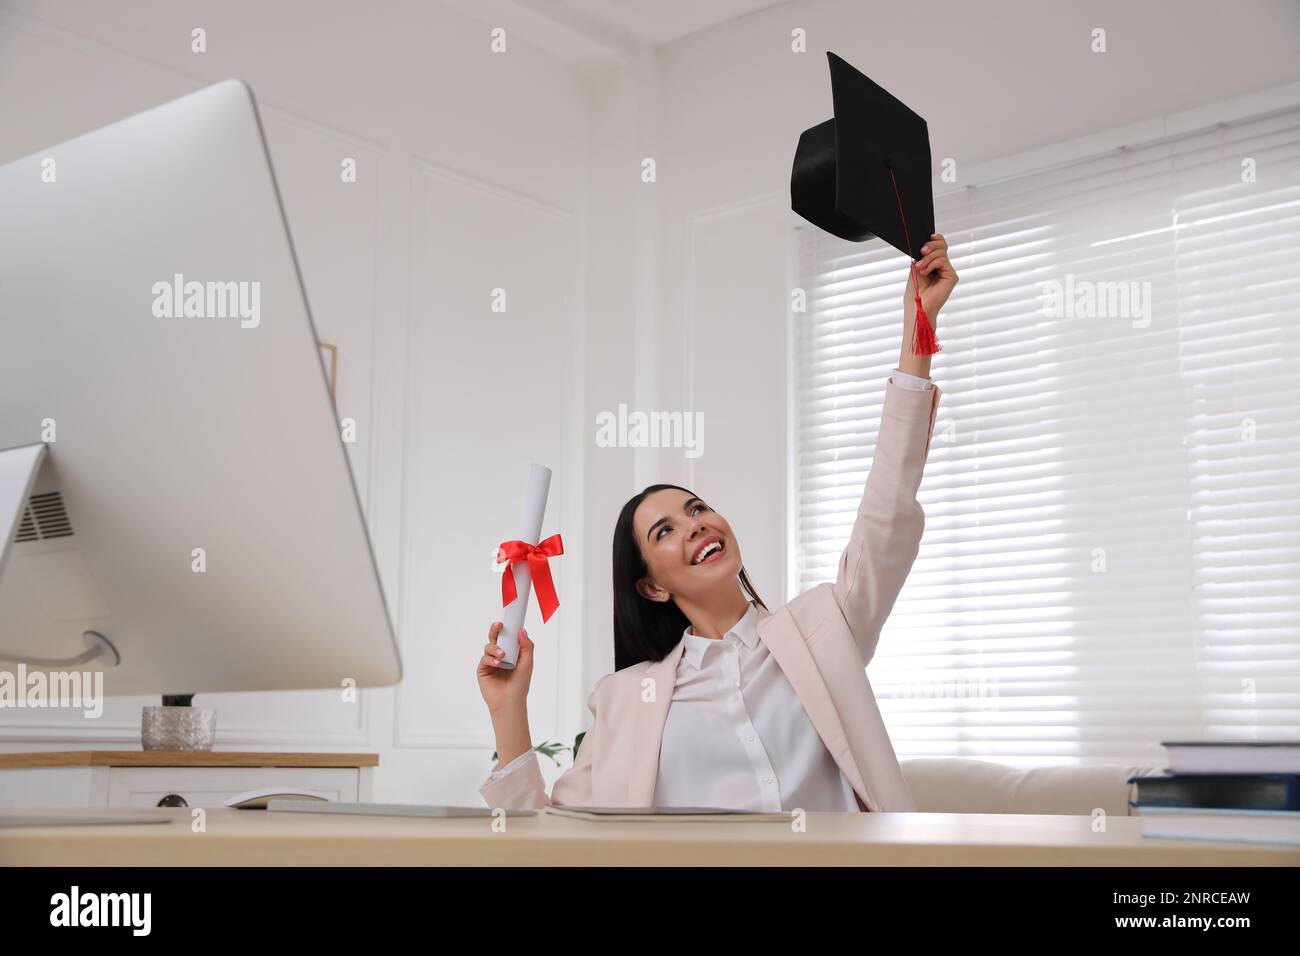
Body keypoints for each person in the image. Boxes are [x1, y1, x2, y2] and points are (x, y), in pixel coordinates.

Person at [477, 234, 958, 812]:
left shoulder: (826, 627)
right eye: (665, 532)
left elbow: (887, 508)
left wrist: (918, 329)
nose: (695, 525)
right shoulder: (627, 697)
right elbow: (551, 838)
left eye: (697, 509)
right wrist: (509, 708)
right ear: (652, 585)